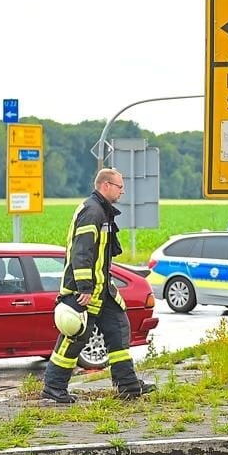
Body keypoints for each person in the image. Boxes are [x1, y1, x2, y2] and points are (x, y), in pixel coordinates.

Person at [42, 168, 156, 403]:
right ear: (105, 185)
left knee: (119, 330)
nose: (122, 191)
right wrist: (84, 287)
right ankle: (53, 387)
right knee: (75, 338)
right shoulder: (92, 212)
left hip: (103, 291)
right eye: (119, 186)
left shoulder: (102, 211)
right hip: (84, 292)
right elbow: (82, 251)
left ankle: (128, 385)